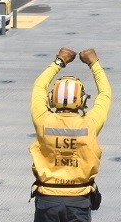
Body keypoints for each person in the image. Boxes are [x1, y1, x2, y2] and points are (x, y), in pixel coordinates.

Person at [30, 47, 112, 221]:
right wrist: (93, 63)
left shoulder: (43, 121)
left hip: (47, 201)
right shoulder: (90, 124)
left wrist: (59, 61)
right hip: (78, 202)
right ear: (82, 100)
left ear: (52, 99)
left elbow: (38, 87)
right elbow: (105, 94)